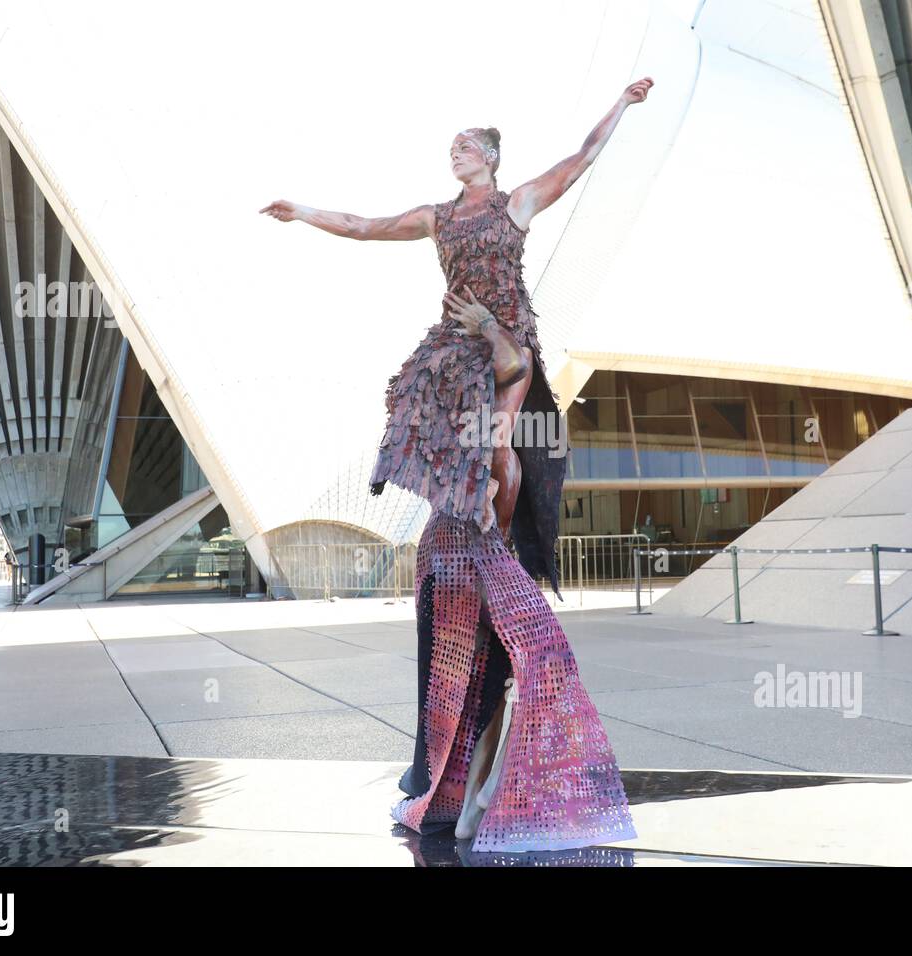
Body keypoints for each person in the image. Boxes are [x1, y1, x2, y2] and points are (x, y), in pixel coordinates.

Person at [261, 77, 653, 853]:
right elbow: (365, 226)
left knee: (500, 440)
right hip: (454, 350)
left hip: (502, 343)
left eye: (467, 146)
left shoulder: (518, 204)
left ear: (492, 158)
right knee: (434, 424)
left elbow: (582, 158)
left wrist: (621, 102)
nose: (456, 153)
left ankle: (494, 533)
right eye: (453, 148)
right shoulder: (438, 218)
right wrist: (302, 211)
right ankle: (458, 520)